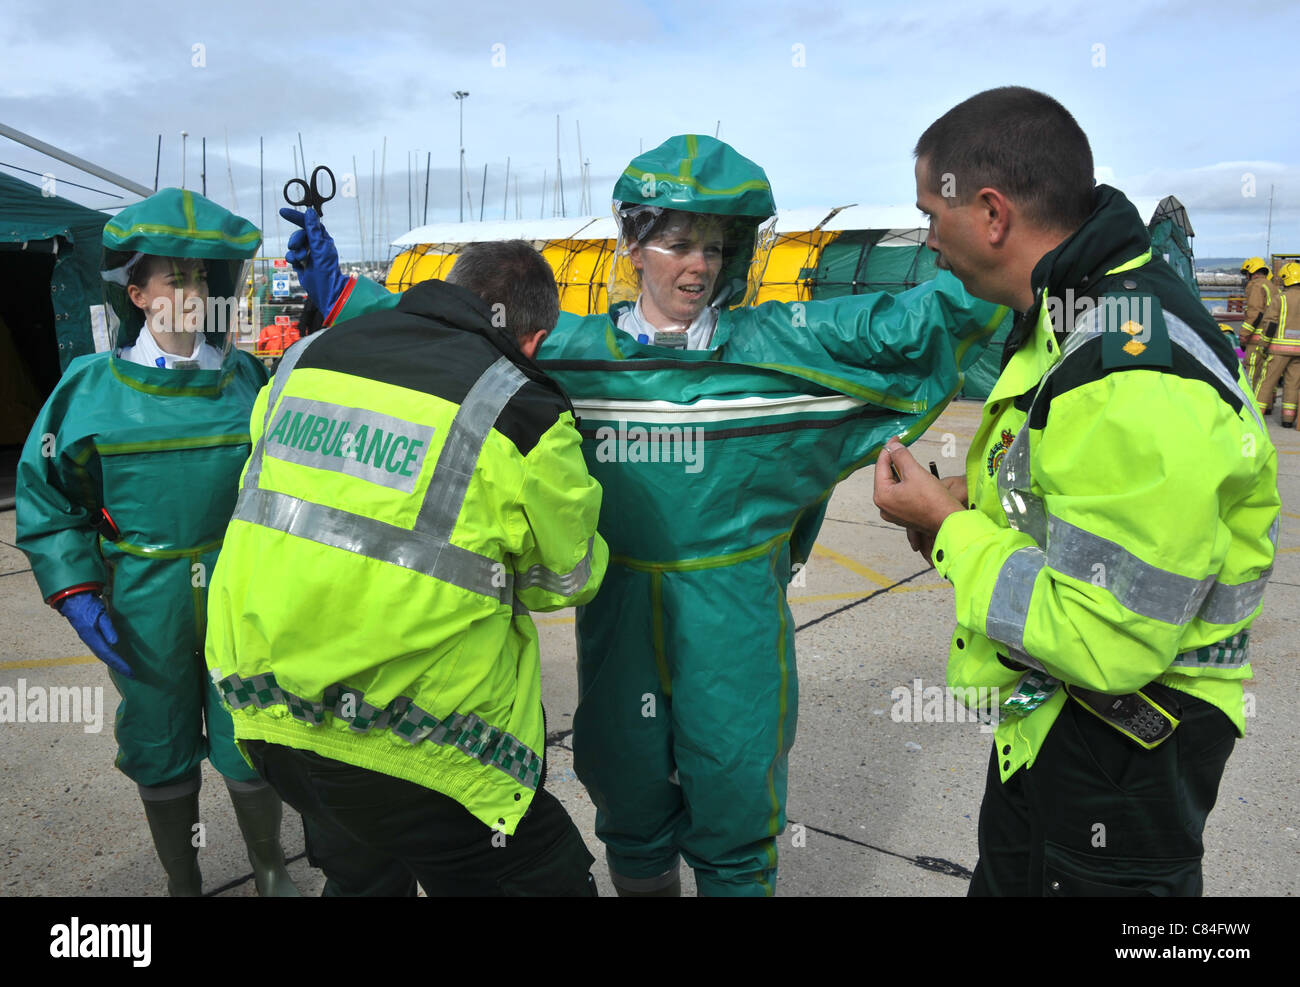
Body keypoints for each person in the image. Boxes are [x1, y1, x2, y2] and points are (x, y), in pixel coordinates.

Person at [279, 135, 1008, 896]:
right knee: (629, 802)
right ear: (631, 242)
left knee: (735, 808)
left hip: (735, 632)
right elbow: (444, 330)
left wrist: (1004, 237)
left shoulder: (781, 345)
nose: (699, 264)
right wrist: (344, 296)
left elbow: (914, 321)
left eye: (717, 246)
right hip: (618, 619)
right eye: (677, 241)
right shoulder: (560, 351)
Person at [873, 86, 1279, 896]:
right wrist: (974, 500)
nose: (928, 240)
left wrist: (951, 531)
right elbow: (1074, 497)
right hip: (1062, 727)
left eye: (931, 214)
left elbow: (1108, 641)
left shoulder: (1132, 371)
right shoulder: (1082, 308)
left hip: (1124, 758)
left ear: (991, 214)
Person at [204, 240, 609, 896]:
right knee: (544, 876)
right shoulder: (525, 410)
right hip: (423, 749)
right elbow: (570, 576)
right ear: (532, 340)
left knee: (364, 872)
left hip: (272, 719)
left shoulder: (304, 359)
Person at [16, 187, 298, 896]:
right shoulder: (89, 391)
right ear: (137, 291)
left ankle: (269, 867)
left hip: (239, 594)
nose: (195, 289)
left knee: (249, 728)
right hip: (145, 601)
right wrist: (76, 588)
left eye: (204, 275)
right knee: (156, 738)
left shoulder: (246, 379)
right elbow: (48, 494)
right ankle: (183, 879)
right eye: (177, 275)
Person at [1253, 260, 1300, 427]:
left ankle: (1255, 415)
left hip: (1279, 350)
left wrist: (1263, 346)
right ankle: (1288, 419)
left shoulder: (1281, 299)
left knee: (1266, 382)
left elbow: (1270, 324)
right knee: (1293, 384)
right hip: (1299, 352)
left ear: (1286, 278)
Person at [1240, 257, 1279, 402]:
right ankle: (1267, 403)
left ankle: (1248, 402)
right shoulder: (1272, 286)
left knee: (1251, 370)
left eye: (1246, 274)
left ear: (1252, 272)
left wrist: (1244, 334)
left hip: (1256, 338)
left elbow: (1255, 313)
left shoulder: (1256, 286)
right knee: (1266, 373)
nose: (1246, 278)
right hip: (1270, 337)